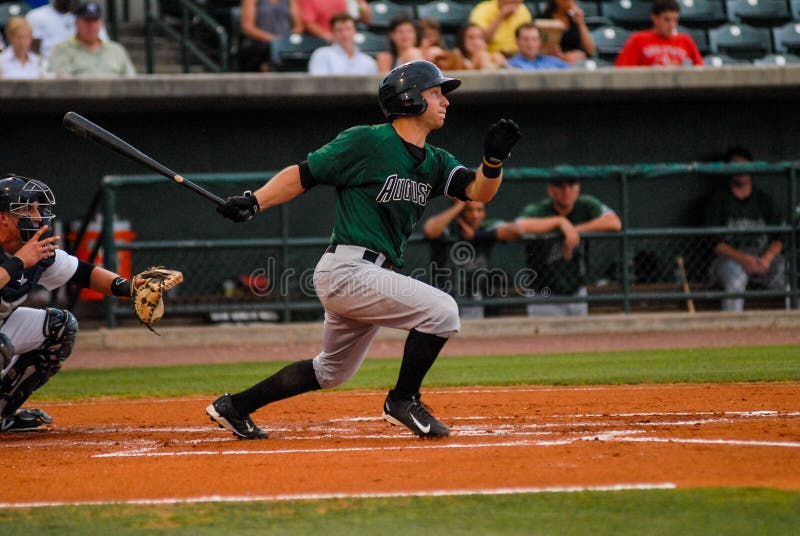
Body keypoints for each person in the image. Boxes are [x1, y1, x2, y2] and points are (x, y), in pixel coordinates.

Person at [206, 60, 521, 440]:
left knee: (331, 372)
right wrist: (254, 200)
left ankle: (234, 407)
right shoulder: (368, 141)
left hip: (370, 275)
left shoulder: (435, 161)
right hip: (347, 270)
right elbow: (303, 174)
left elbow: (478, 191)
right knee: (443, 311)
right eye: (436, 93)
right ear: (410, 99)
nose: (445, 101)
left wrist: (493, 161)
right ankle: (403, 400)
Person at [0, 175, 147, 432]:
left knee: (61, 326)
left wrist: (130, 288)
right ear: (3, 217)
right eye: (26, 209)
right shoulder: (24, 255)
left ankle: (2, 413)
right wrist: (19, 262)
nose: (37, 217)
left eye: (37, 208)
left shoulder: (34, 251)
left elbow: (84, 273)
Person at [515, 178, 621, 316]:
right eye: (560, 186)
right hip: (543, 294)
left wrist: (574, 230)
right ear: (550, 190)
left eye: (571, 186)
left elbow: (615, 223)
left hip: (576, 292)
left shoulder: (586, 205)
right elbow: (518, 227)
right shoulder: (539, 210)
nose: (566, 191)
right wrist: (560, 222)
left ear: (578, 188)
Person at [704, 146, 785, 312]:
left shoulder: (764, 200)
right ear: (728, 170)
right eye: (736, 165)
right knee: (736, 277)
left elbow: (779, 238)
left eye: (745, 165)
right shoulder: (718, 200)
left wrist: (767, 258)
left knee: (787, 271)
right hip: (730, 260)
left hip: (762, 258)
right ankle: (733, 331)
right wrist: (743, 258)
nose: (741, 170)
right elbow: (715, 244)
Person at [424, 199, 521, 318]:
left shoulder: (486, 228)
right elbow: (430, 230)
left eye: (479, 210)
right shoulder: (450, 228)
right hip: (444, 293)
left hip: (473, 295)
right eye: (469, 210)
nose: (475, 215)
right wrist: (459, 205)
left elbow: (517, 231)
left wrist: (476, 236)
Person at [47, 2, 136, 77]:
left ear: (101, 23)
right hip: (78, 96)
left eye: (95, 21)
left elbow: (131, 80)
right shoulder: (62, 49)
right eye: (87, 21)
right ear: (76, 23)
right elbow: (61, 81)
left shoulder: (116, 49)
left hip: (116, 96)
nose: (91, 26)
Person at [614, 0, 703, 67]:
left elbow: (699, 70)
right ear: (655, 18)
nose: (672, 25)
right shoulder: (638, 40)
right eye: (667, 20)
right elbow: (624, 71)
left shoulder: (685, 41)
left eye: (675, 20)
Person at [25, 0, 108, 61]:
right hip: (48, 68)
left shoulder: (85, 16)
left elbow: (103, 46)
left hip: (83, 65)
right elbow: (30, 51)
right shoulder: (36, 16)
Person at [238, 0, 303, 72]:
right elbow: (247, 28)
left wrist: (286, 40)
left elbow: (299, 27)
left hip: (286, 44)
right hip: (260, 44)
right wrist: (274, 40)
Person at [308, 12, 377, 75]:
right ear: (332, 32)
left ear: (355, 30)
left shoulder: (368, 61)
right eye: (339, 30)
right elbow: (318, 85)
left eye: (348, 29)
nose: (344, 34)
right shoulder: (321, 55)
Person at [469, 0, 533, 57]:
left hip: (517, 58)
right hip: (491, 57)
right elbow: (480, 41)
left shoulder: (523, 10)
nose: (515, 2)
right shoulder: (482, 10)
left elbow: (530, 41)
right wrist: (501, 16)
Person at [541, 0, 596, 64]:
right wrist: (563, 57)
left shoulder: (576, 19)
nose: (570, 1)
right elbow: (540, 50)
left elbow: (590, 50)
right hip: (553, 63)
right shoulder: (544, 19)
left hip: (578, 63)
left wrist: (581, 23)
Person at [507, 23, 571, 70]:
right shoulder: (510, 65)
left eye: (534, 39)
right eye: (525, 39)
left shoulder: (552, 61)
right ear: (517, 42)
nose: (530, 44)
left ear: (539, 42)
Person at [299, 0, 370, 42]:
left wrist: (361, 7)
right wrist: (330, 38)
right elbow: (308, 23)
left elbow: (366, 20)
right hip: (322, 41)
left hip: (348, 39)